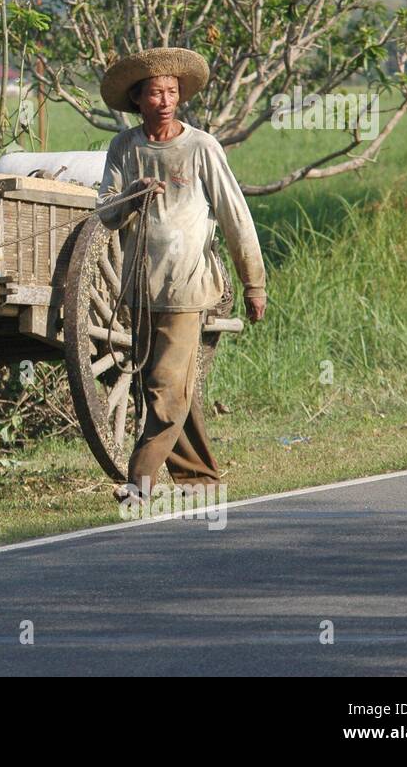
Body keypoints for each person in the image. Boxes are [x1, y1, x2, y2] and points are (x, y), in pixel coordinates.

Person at [95, 47, 267, 501]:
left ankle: (139, 482)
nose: (166, 100)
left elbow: (235, 217)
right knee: (174, 389)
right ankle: (201, 479)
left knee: (165, 388)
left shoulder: (201, 147)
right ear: (138, 100)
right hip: (140, 290)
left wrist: (254, 284)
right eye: (156, 93)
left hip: (188, 287)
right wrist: (131, 195)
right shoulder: (124, 148)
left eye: (172, 91)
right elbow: (106, 215)